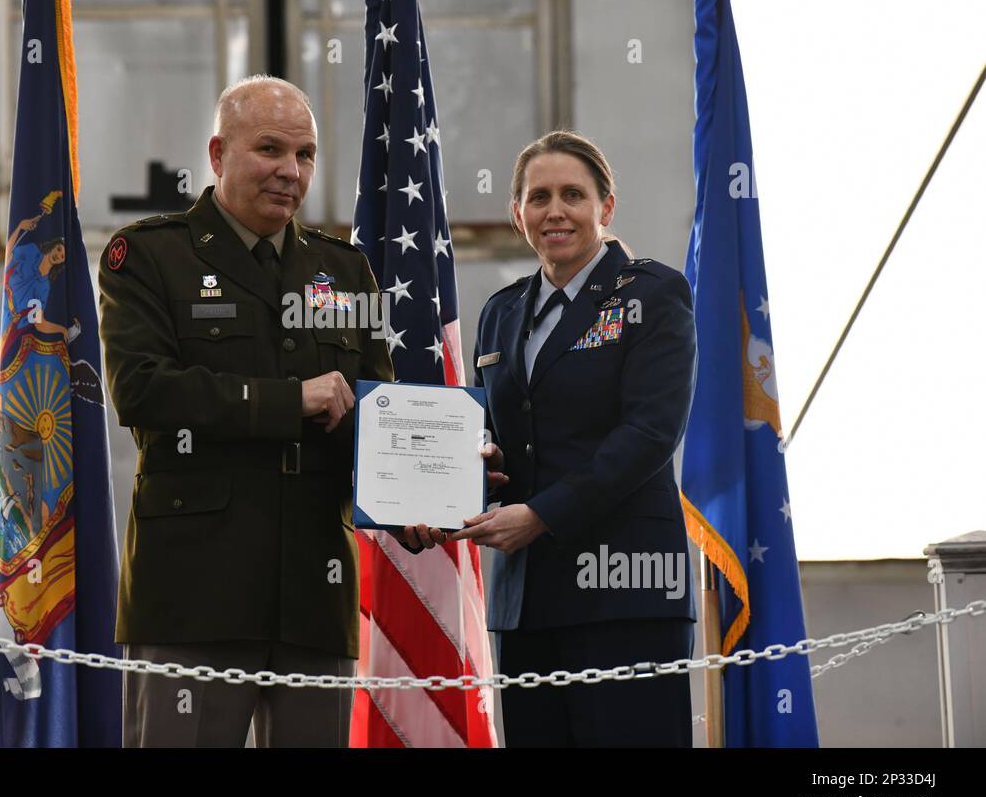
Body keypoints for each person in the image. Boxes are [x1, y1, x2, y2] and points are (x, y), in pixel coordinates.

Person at [96, 75, 395, 747]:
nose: (291, 171)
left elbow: (376, 416)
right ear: (218, 152)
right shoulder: (148, 256)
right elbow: (143, 389)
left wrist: (425, 498)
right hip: (193, 595)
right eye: (269, 149)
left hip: (314, 599)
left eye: (306, 155)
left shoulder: (345, 273)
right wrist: (293, 400)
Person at [453, 130, 698, 747]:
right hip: (527, 601)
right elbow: (500, 431)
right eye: (538, 197)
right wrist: (477, 465)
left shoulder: (653, 294)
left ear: (605, 207)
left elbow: (649, 433)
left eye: (572, 194)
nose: (554, 211)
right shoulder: (501, 312)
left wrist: (539, 515)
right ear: (518, 214)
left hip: (624, 591)